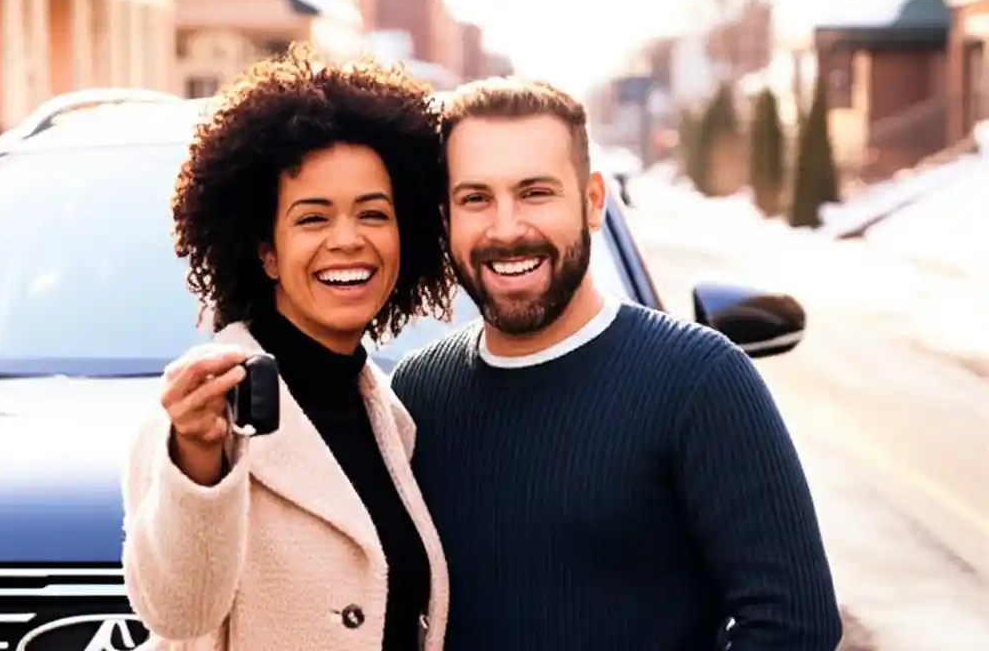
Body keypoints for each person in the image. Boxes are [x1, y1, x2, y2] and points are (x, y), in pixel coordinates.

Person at [389, 77, 843, 650]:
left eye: (535, 193)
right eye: (476, 198)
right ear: (445, 217)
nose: (506, 229)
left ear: (593, 201)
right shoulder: (417, 392)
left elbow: (796, 625)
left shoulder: (699, 380)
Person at [121, 46, 455, 651]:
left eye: (373, 214)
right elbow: (178, 615)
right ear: (267, 253)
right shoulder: (202, 412)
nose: (348, 240)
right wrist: (198, 459)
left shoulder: (392, 417)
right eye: (312, 219)